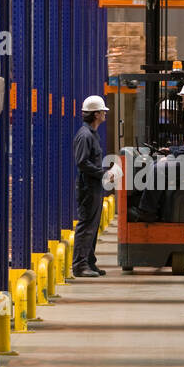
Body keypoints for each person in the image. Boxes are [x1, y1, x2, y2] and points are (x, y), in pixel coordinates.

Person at [129, 81, 184, 222]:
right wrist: (171, 150)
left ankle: (147, 211)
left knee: (159, 169)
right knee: (155, 164)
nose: (182, 102)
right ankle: (157, 207)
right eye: (182, 99)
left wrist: (173, 154)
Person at [72, 95, 111, 277]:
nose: (105, 114)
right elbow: (82, 162)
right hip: (88, 186)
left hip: (94, 185)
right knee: (86, 224)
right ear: (96, 114)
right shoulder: (85, 135)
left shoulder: (92, 134)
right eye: (103, 111)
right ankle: (80, 265)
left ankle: (89, 261)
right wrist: (101, 173)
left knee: (93, 225)